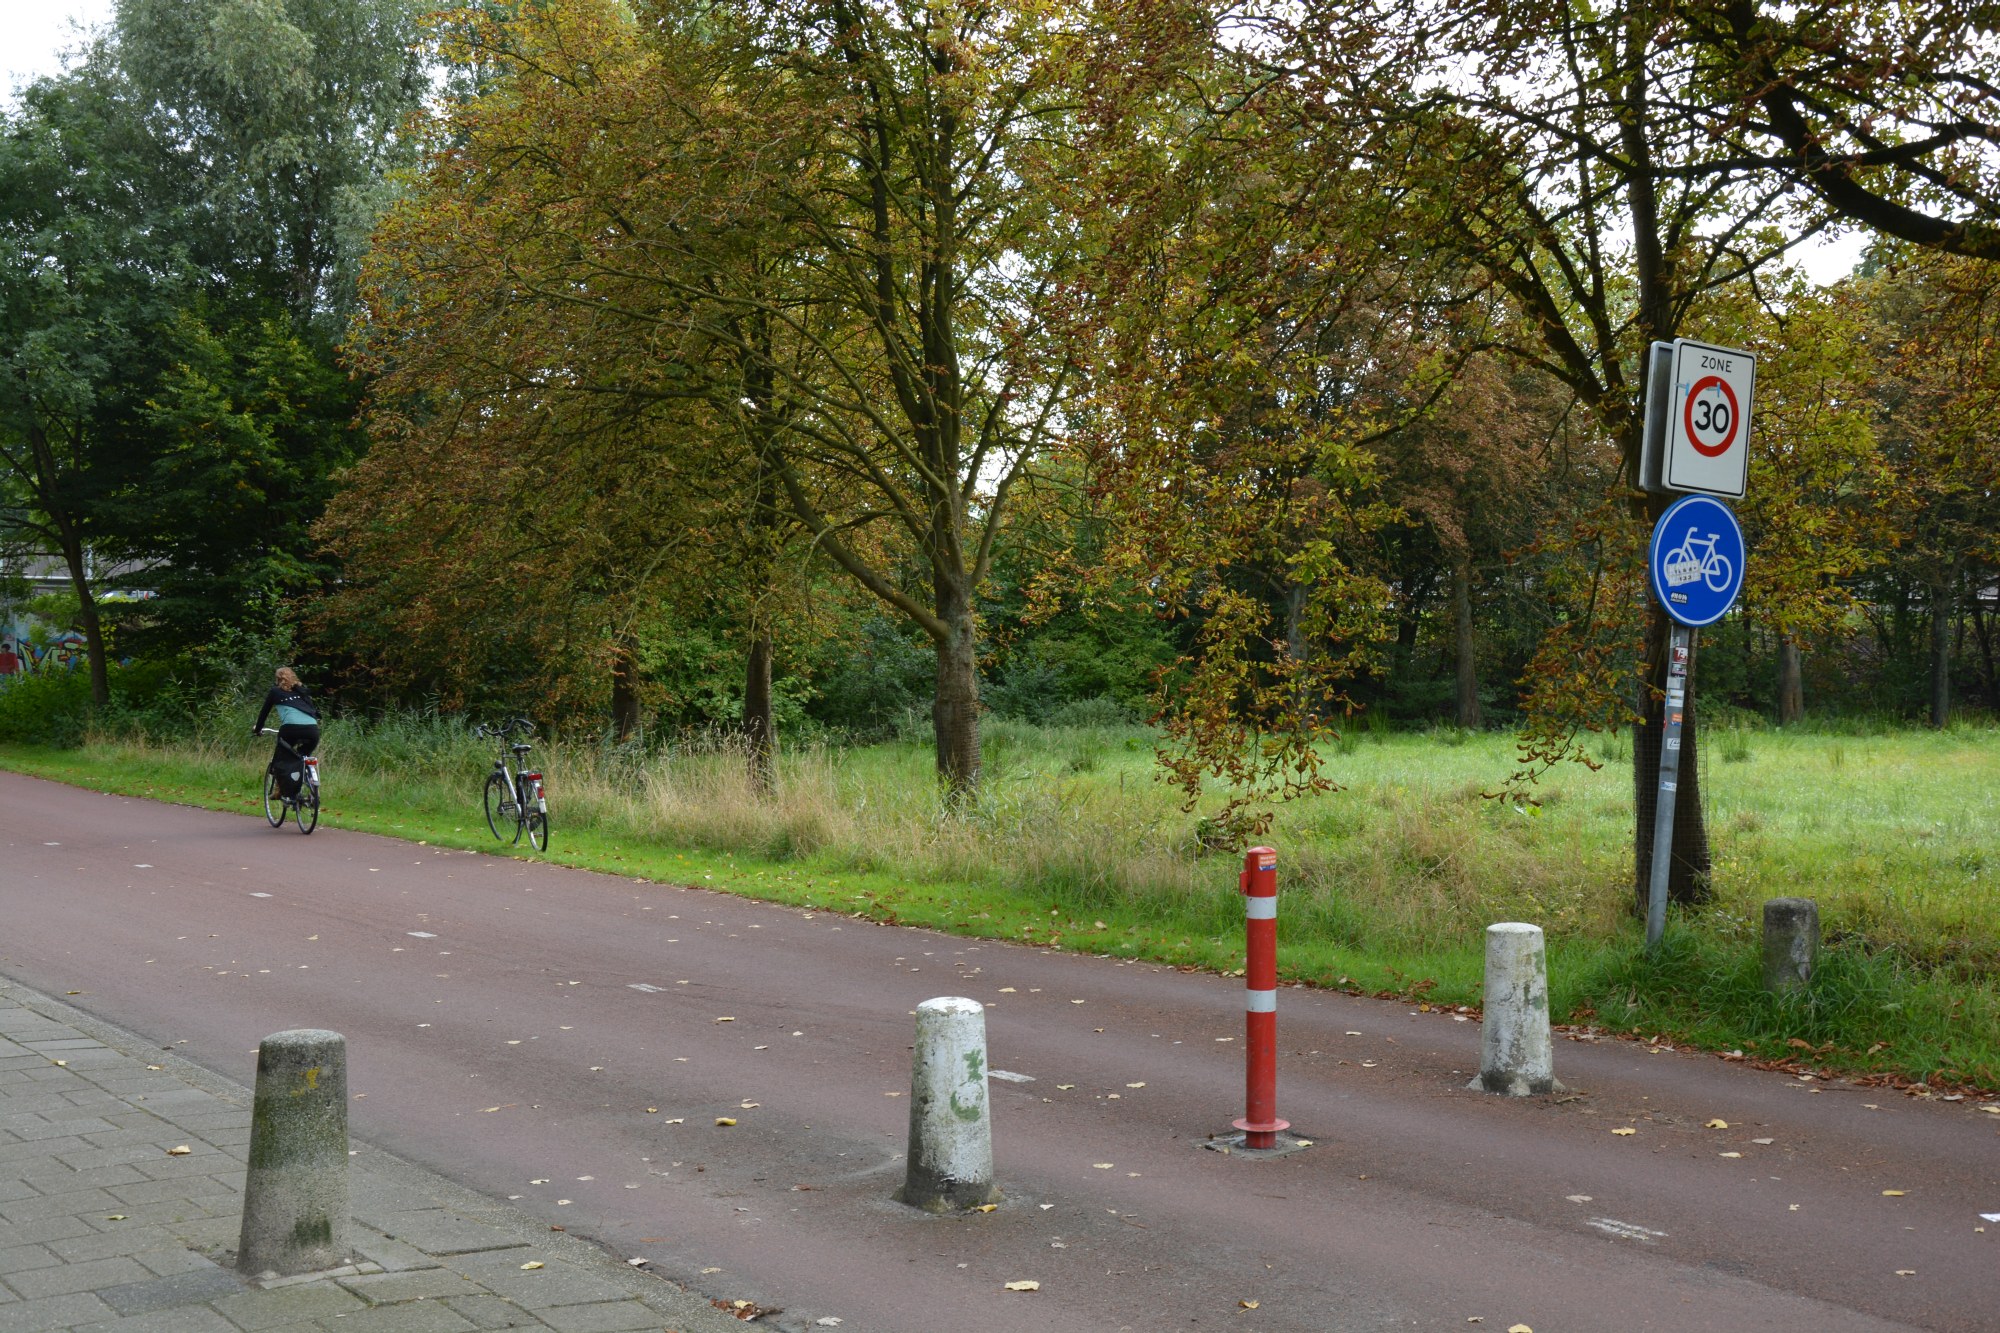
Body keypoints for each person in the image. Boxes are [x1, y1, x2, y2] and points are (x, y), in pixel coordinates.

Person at [254, 667, 320, 799]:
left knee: (281, 760)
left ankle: (280, 791)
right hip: (313, 730)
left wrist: (257, 729)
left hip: (290, 729)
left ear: (278, 679)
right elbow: (312, 710)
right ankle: (312, 791)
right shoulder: (302, 691)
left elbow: (264, 713)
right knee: (302, 758)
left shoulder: (275, 691)